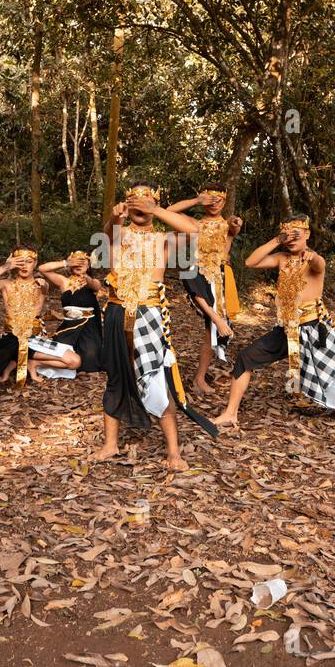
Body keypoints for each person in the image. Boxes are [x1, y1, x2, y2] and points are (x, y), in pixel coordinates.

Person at [214, 215, 335, 440]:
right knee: (245, 358)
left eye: (296, 235)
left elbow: (319, 264)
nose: (291, 240)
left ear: (307, 234)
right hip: (285, 330)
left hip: (313, 331)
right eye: (287, 236)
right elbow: (250, 262)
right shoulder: (281, 258)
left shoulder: (313, 261)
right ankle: (230, 413)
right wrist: (276, 240)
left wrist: (313, 256)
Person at [96, 183, 218, 470]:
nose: (140, 205)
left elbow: (193, 230)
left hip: (148, 312)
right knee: (115, 375)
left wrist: (157, 210)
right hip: (115, 311)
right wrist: (115, 216)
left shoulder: (164, 240)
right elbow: (107, 233)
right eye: (134, 201)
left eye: (146, 201)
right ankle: (110, 444)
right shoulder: (120, 234)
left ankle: (173, 452)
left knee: (154, 377)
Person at [169, 188, 242, 394]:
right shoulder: (195, 224)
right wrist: (196, 200)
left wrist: (234, 228)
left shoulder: (228, 224)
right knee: (214, 322)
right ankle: (199, 378)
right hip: (197, 272)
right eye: (210, 199)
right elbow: (169, 210)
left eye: (218, 199)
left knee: (210, 332)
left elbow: (229, 242)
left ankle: (199, 378)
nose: (214, 202)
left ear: (225, 200)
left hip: (219, 277)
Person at [0, 247, 81, 386]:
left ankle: (31, 361)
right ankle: (15, 359)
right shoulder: (7, 285)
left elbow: (45, 288)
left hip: (35, 339)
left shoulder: (40, 284)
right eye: (20, 262)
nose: (24, 266)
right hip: (11, 339)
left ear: (35, 263)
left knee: (74, 361)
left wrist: (43, 285)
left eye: (29, 262)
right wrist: (5, 267)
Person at [37, 250, 104, 376]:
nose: (79, 264)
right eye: (76, 261)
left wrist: (87, 278)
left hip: (89, 325)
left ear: (88, 265)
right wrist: (66, 262)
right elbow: (42, 268)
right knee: (60, 352)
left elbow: (95, 286)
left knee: (90, 358)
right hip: (69, 326)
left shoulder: (92, 282)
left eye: (82, 261)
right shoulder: (64, 281)